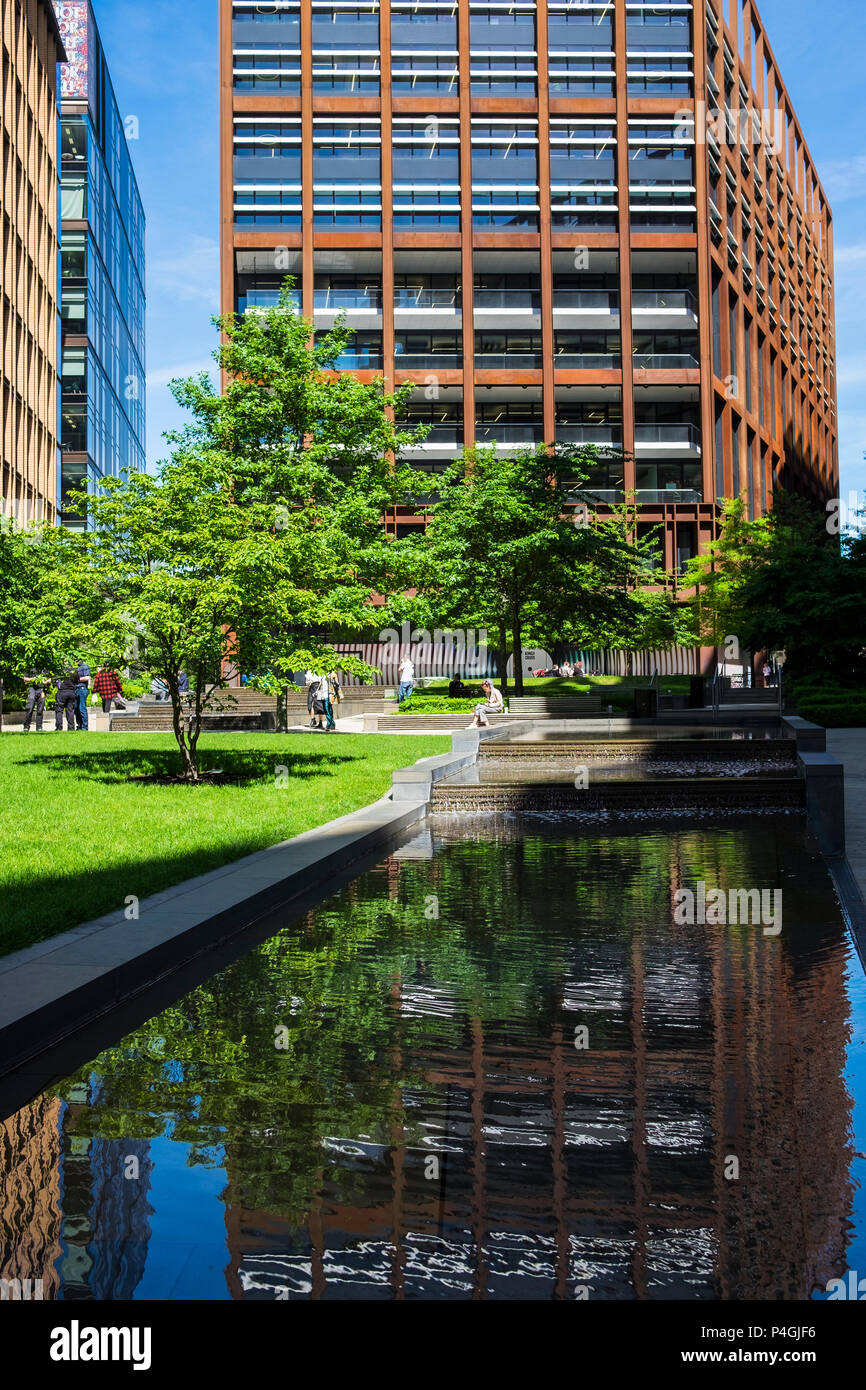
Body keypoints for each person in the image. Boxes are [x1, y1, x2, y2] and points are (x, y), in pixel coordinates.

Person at [74, 659, 92, 731]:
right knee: (76, 708)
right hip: (75, 689)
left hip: (82, 689)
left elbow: (87, 677)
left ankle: (85, 727)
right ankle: (79, 726)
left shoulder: (84, 666)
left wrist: (76, 679)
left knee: (82, 708)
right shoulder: (74, 668)